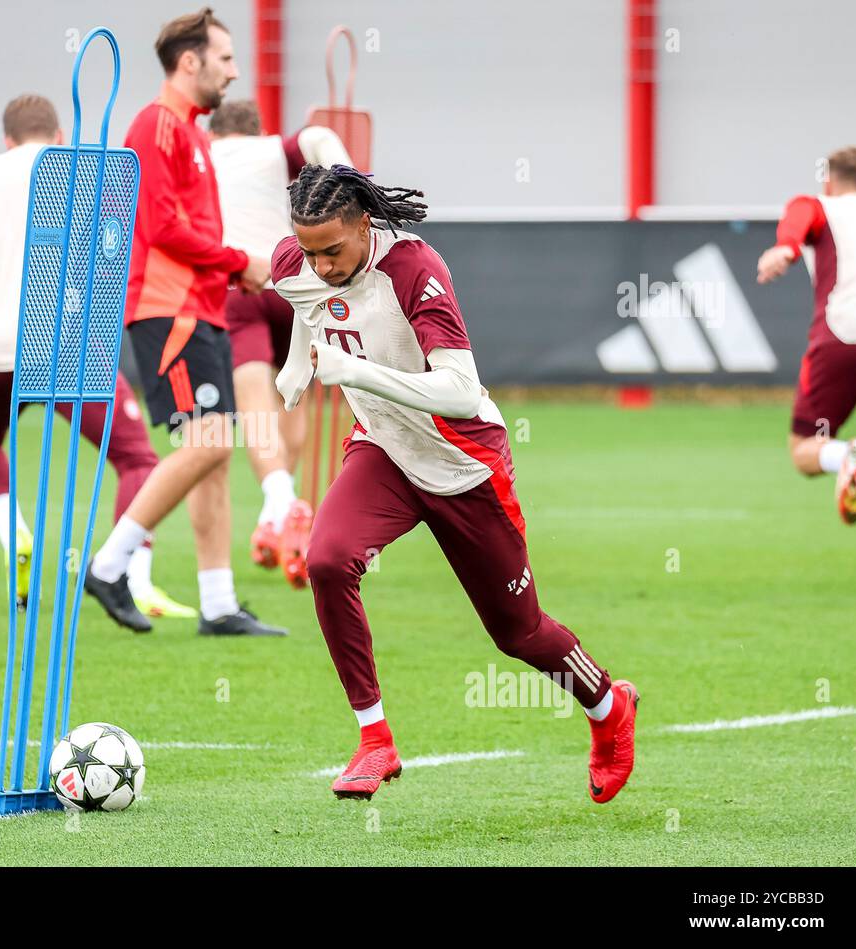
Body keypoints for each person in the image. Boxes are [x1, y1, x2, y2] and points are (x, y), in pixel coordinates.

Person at [271, 164, 638, 802]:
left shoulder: (415, 269)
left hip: (462, 462)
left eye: (333, 250)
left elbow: (461, 392)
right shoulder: (295, 262)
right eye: (309, 251)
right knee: (328, 560)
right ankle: (374, 739)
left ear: (364, 223)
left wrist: (354, 372)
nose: (321, 265)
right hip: (384, 450)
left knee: (518, 634)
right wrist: (297, 360)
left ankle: (608, 707)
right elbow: (308, 302)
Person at [0, 94, 196, 619]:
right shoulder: (88, 172)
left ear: (7, 139)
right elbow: (123, 245)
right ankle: (135, 579)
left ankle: (14, 533)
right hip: (69, 350)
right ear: (59, 135)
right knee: (137, 459)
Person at [83, 8, 286, 636]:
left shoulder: (194, 135)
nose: (234, 70)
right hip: (166, 310)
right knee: (211, 443)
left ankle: (218, 603)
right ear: (190, 61)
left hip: (200, 308)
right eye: (225, 58)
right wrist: (238, 262)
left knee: (214, 454)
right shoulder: (157, 126)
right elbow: (164, 228)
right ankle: (109, 565)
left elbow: (187, 229)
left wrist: (228, 271)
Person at [208, 99, 353, 587]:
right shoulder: (274, 149)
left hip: (236, 285)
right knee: (295, 393)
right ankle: (278, 522)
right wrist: (345, 172)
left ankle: (278, 503)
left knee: (253, 394)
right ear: (258, 128)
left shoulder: (204, 156)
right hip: (292, 282)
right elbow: (312, 138)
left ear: (216, 132)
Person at [757, 145, 856, 525]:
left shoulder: (819, 205)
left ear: (828, 180)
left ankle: (843, 455)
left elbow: (800, 216)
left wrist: (785, 249)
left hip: (843, 339)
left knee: (805, 448)